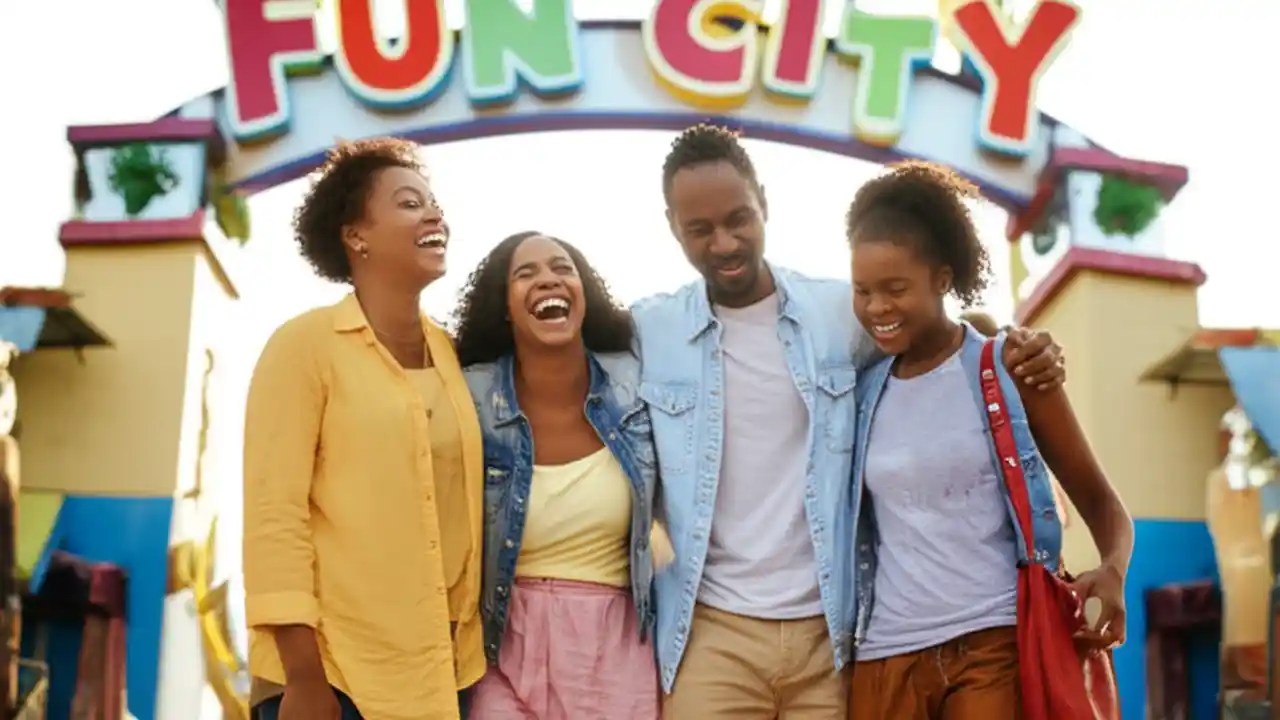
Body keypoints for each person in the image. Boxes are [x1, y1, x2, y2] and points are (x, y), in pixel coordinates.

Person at [630, 123, 1070, 718]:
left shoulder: (840, 311)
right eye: (699, 229)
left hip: (829, 634)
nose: (725, 243)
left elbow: (932, 332)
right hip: (712, 630)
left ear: (764, 200)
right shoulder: (649, 330)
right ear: (670, 226)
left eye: (739, 218)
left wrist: (1011, 342)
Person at [845, 160, 1133, 719]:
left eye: (895, 288)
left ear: (943, 279)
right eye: (863, 291)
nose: (877, 308)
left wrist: (1114, 569)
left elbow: (1101, 502)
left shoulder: (1009, 368)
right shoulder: (858, 390)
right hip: (884, 656)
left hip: (991, 643)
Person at [242, 139, 483, 720]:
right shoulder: (305, 346)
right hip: (334, 677)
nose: (434, 215)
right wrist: (303, 677)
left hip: (444, 679)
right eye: (408, 203)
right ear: (356, 236)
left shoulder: (456, 358)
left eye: (433, 202)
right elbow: (276, 515)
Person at [454, 231, 666, 719]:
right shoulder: (470, 394)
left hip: (615, 647)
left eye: (562, 268)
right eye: (525, 274)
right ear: (504, 306)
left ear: (583, 293)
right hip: (502, 642)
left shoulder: (634, 384)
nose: (548, 279)